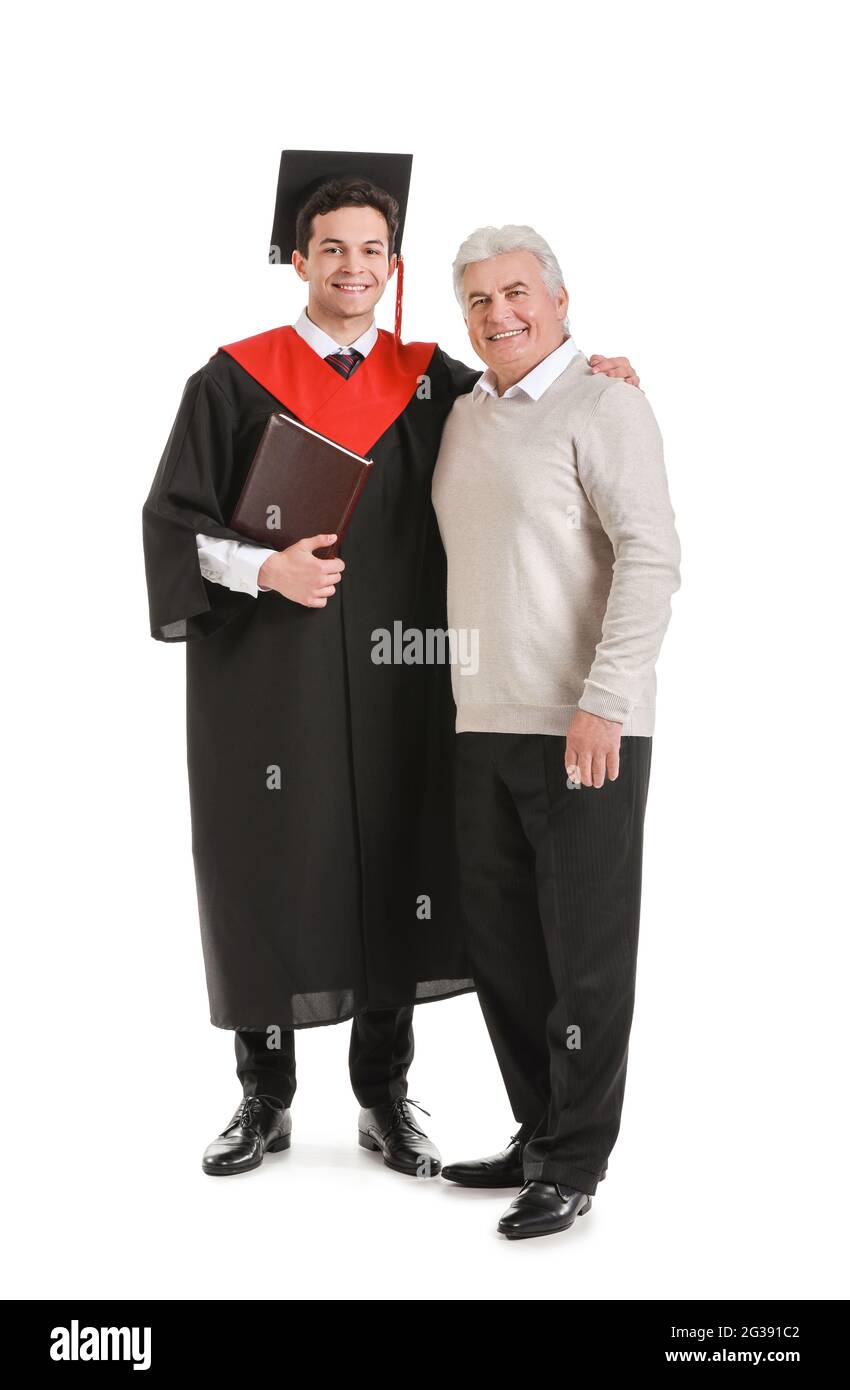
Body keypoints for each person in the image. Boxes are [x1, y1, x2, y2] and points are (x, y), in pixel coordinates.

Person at [143, 153, 639, 1182]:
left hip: (400, 680)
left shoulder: (430, 382)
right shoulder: (232, 379)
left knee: (390, 867)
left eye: (373, 249)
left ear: (393, 264)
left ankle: (382, 1091)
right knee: (266, 866)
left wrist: (601, 369)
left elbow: (524, 394)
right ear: (298, 260)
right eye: (332, 249)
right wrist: (262, 565)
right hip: (264, 686)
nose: (354, 266)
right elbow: (170, 525)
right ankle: (263, 1096)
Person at [432, 225, 680, 1237]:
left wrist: (605, 698)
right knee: (503, 948)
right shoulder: (461, 415)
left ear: (561, 299)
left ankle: (575, 1160)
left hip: (584, 727)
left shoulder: (605, 402)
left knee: (583, 952)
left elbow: (651, 556)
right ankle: (538, 1130)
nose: (501, 314)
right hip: (480, 722)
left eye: (518, 292)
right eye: (479, 300)